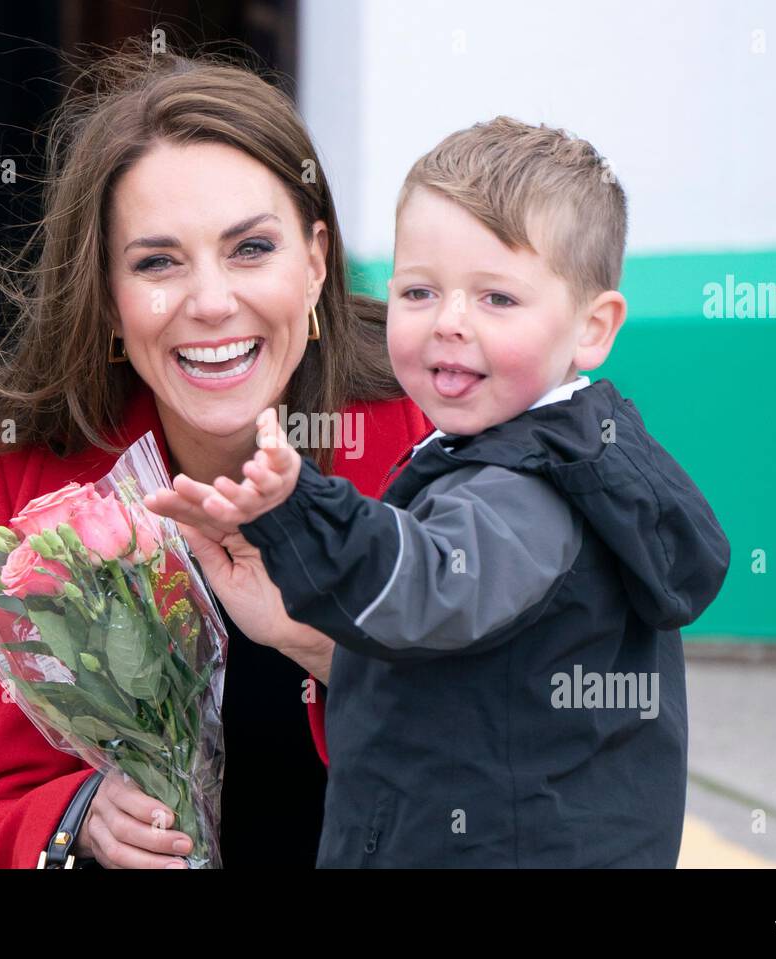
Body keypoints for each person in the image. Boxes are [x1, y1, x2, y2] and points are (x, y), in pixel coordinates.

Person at [0, 40, 432, 868]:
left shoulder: (420, 427)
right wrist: (78, 815)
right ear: (107, 298)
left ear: (316, 260)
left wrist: (322, 647)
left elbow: (512, 743)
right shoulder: (25, 467)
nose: (212, 302)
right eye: (157, 262)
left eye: (252, 248)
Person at [146, 117, 732, 867]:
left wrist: (301, 510)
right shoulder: (523, 454)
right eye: (420, 291)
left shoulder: (530, 490)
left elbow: (430, 581)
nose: (450, 323)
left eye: (497, 299)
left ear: (592, 328)